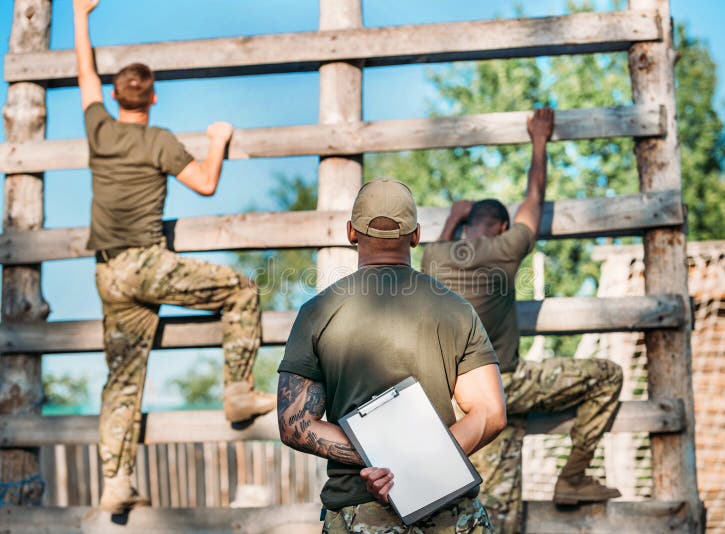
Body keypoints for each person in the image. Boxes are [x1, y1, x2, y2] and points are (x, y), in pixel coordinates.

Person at [73, 0, 276, 514]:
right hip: (147, 263)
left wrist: (80, 16)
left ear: (114, 96)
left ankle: (115, 483)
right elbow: (205, 183)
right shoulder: (159, 140)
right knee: (241, 289)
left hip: (108, 273)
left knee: (122, 380)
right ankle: (238, 392)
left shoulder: (98, 129)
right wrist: (217, 140)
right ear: (154, 97)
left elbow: (84, 75)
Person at [422, 108, 624, 531]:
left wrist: (453, 218)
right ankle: (572, 477)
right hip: (508, 383)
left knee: (497, 504)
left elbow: (436, 252)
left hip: (463, 400)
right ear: (500, 226)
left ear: (466, 226)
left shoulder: (434, 258)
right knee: (607, 375)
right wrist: (539, 139)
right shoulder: (506, 248)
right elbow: (534, 199)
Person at [277, 179, 507, 533]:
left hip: (360, 515)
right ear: (415, 235)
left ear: (351, 232)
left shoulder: (316, 312)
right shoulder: (457, 309)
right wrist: (417, 466)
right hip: (450, 515)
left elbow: (295, 424)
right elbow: (490, 413)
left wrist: (387, 465)